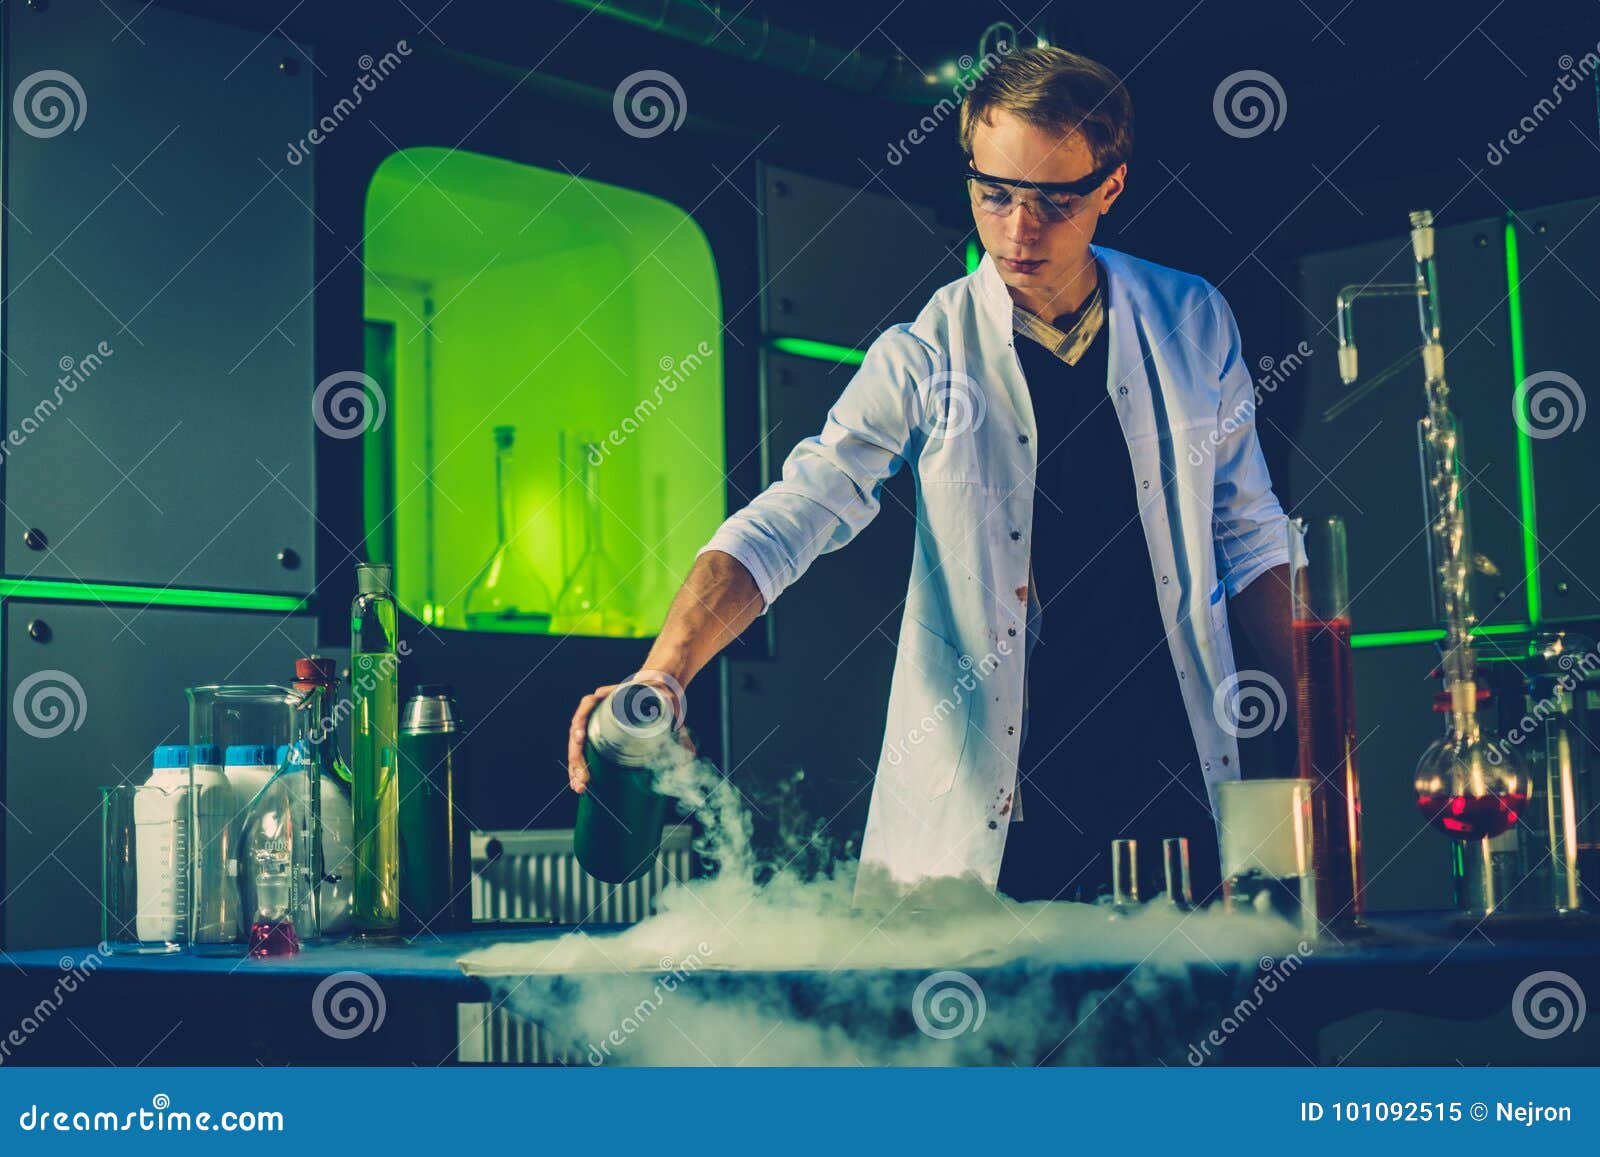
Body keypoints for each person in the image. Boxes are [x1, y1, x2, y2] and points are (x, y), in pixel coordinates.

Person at [567, 46, 1295, 908]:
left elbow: (1250, 537)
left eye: (1055, 201)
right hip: (1002, 816)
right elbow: (795, 512)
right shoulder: (924, 354)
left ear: (1111, 186)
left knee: (1191, 1029)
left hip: (1171, 784)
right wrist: (664, 673)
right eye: (994, 194)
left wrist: (1331, 721)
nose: (1019, 230)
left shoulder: (1193, 319)